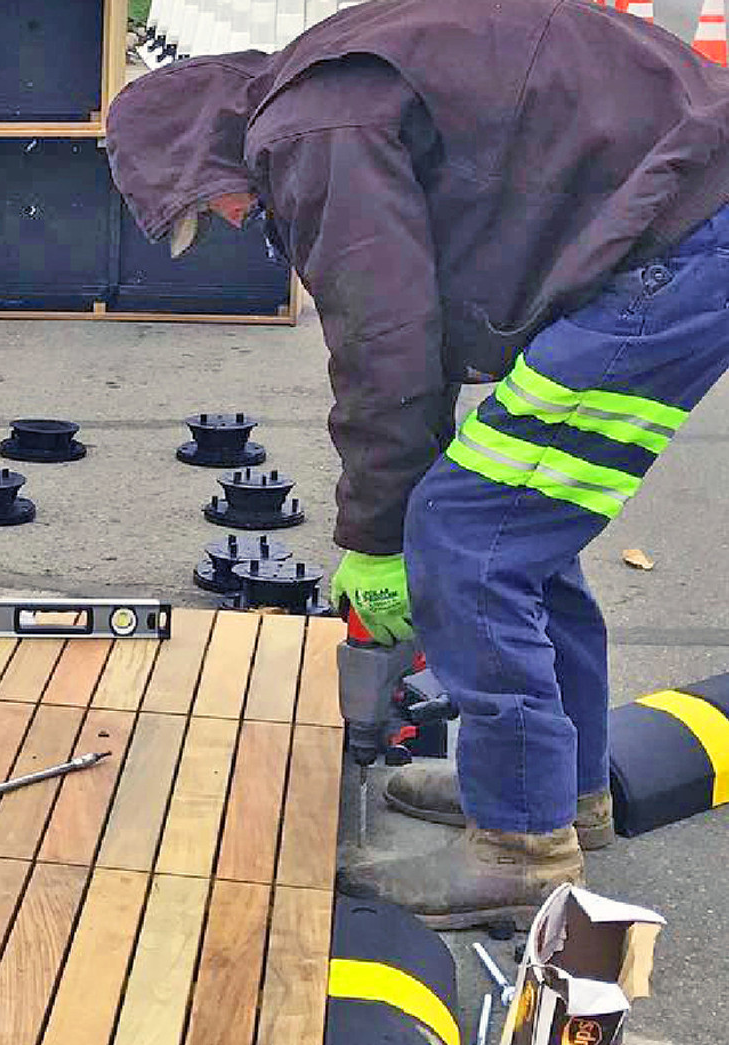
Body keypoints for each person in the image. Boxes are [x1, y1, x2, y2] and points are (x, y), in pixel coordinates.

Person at [105, 0, 729, 929]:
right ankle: (560, 790)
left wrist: (377, 539)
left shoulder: (308, 134)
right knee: (516, 518)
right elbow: (420, 326)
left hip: (679, 243)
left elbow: (383, 339)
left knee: (468, 533)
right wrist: (395, 511)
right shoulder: (316, 92)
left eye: (211, 207)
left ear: (200, 149)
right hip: (684, 214)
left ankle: (520, 847)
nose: (231, 220)